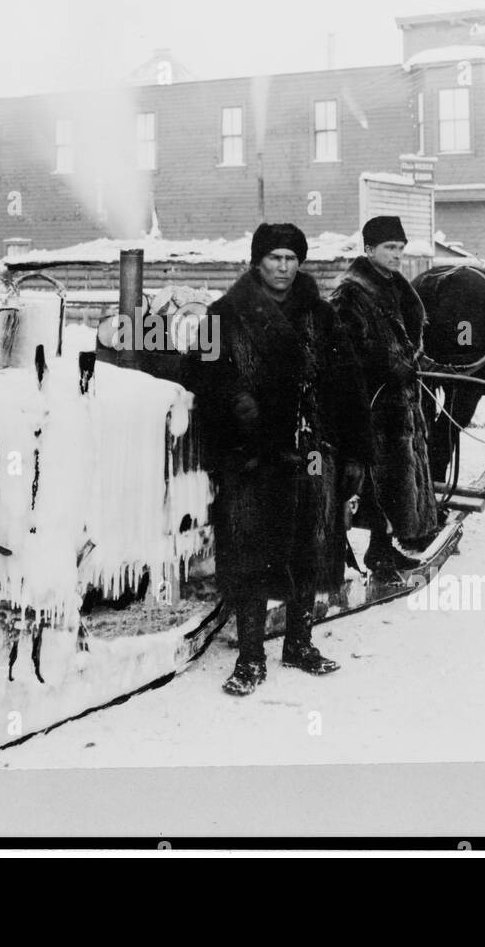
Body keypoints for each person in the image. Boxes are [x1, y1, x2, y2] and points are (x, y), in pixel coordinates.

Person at [189, 222, 369, 696]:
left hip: (310, 452)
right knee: (249, 547)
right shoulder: (223, 316)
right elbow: (201, 381)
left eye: (292, 259)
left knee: (310, 540)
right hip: (252, 455)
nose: (284, 268)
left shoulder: (322, 317)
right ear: (256, 261)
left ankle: (299, 643)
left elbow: (348, 388)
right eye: (275, 258)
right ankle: (250, 657)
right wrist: (235, 408)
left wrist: (354, 453)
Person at [330, 215, 441, 583]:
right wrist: (387, 366)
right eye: (389, 248)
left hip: (399, 403)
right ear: (369, 250)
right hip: (370, 404)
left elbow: (407, 340)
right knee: (375, 480)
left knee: (395, 478)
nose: (397, 255)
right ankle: (373, 553)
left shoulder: (396, 287)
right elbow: (343, 350)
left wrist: (412, 363)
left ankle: (383, 548)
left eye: (400, 248)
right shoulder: (351, 293)